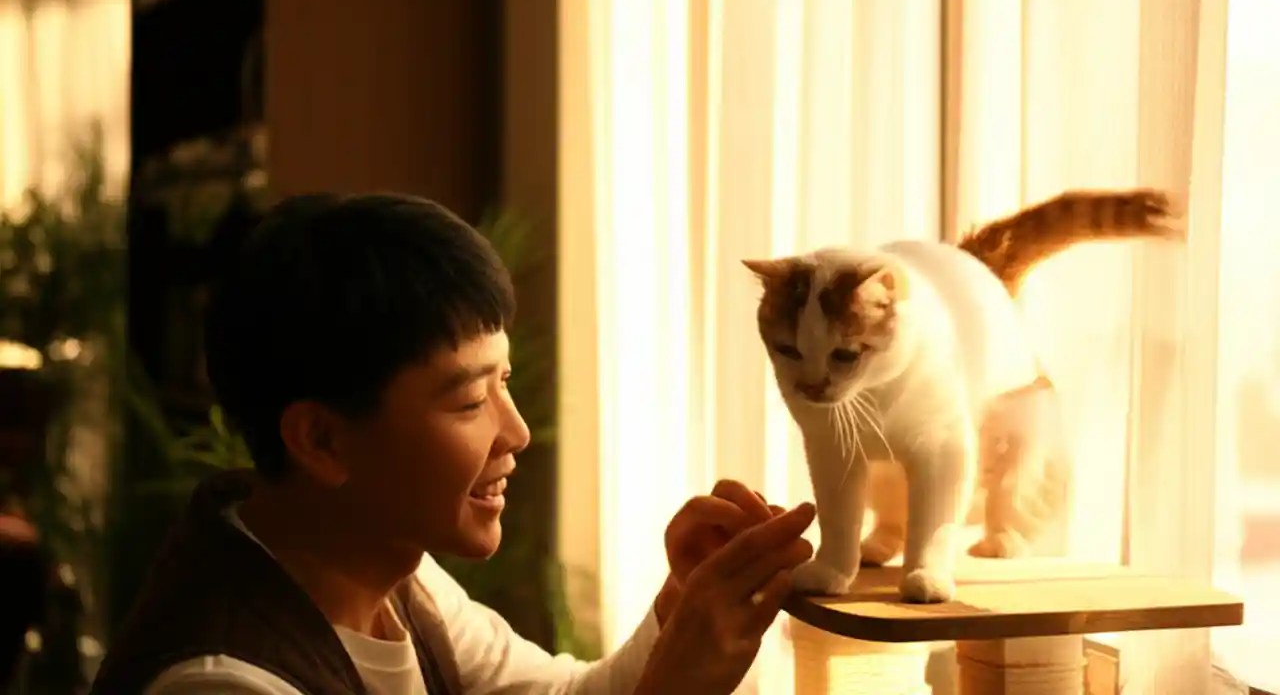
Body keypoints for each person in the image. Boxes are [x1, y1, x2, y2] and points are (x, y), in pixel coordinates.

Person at [89, 193, 815, 695]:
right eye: (471, 399)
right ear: (321, 440)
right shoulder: (222, 680)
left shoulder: (388, 572)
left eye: (504, 382)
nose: (517, 431)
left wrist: (679, 610)